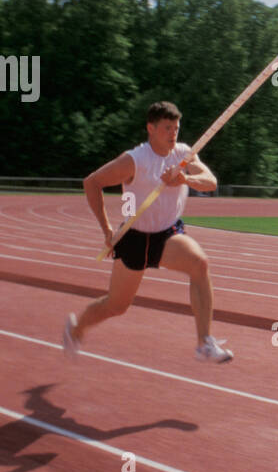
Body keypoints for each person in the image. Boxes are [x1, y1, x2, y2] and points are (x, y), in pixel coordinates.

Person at [63, 100, 234, 363]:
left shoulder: (184, 154)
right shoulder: (136, 160)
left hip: (168, 234)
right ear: (150, 129)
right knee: (116, 306)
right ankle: (76, 327)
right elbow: (92, 182)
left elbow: (210, 182)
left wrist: (185, 179)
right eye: (167, 128)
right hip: (134, 237)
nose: (173, 134)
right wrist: (107, 230)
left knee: (199, 263)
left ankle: (204, 343)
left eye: (176, 128)